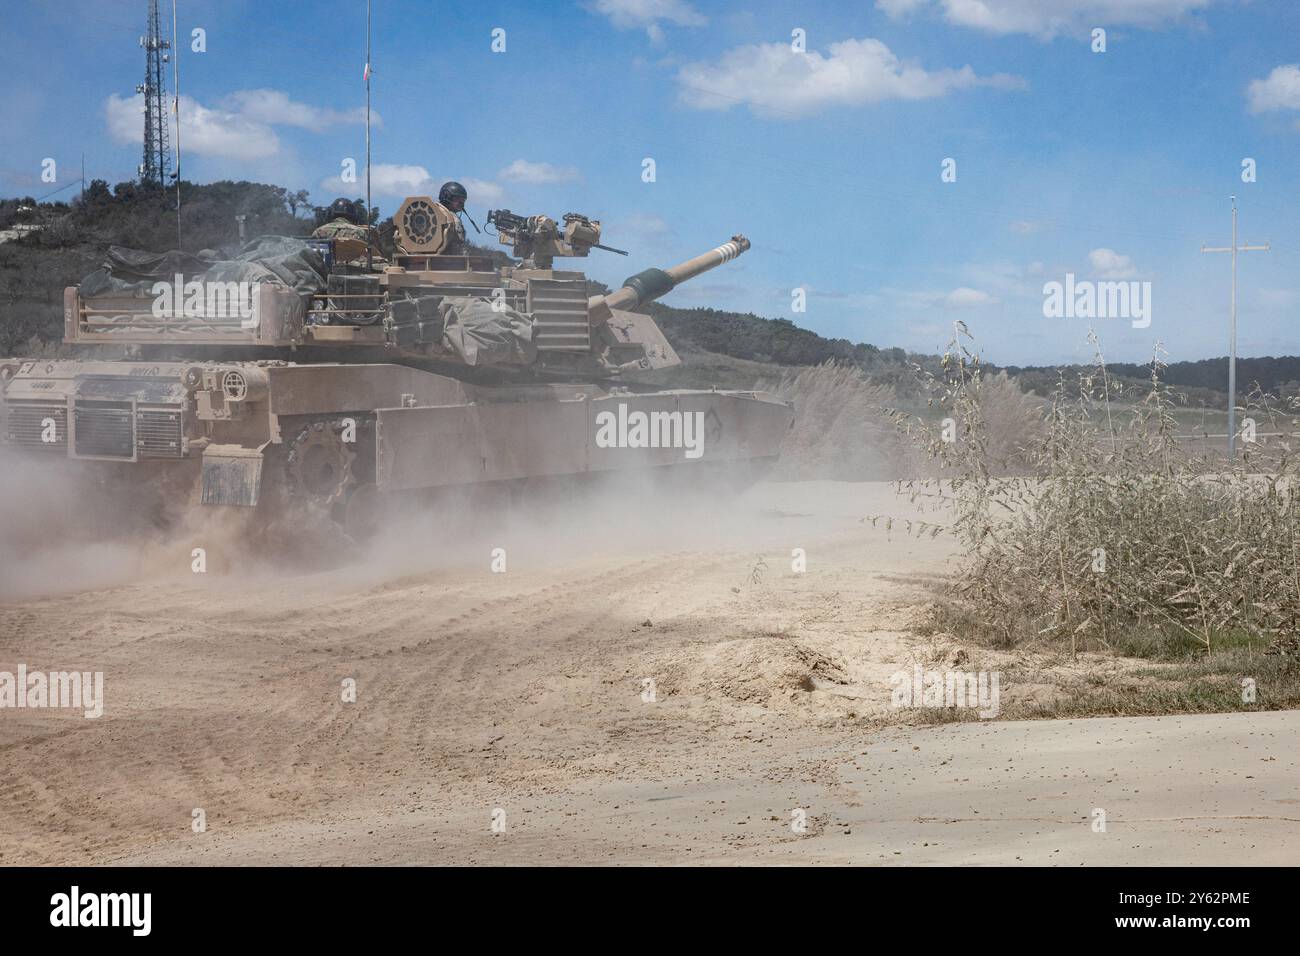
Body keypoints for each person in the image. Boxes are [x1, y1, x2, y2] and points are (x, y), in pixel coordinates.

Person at [437, 181, 468, 254]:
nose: (461, 204)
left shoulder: (431, 211)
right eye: (458, 200)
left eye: (463, 201)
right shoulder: (453, 218)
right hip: (448, 260)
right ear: (447, 197)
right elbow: (459, 243)